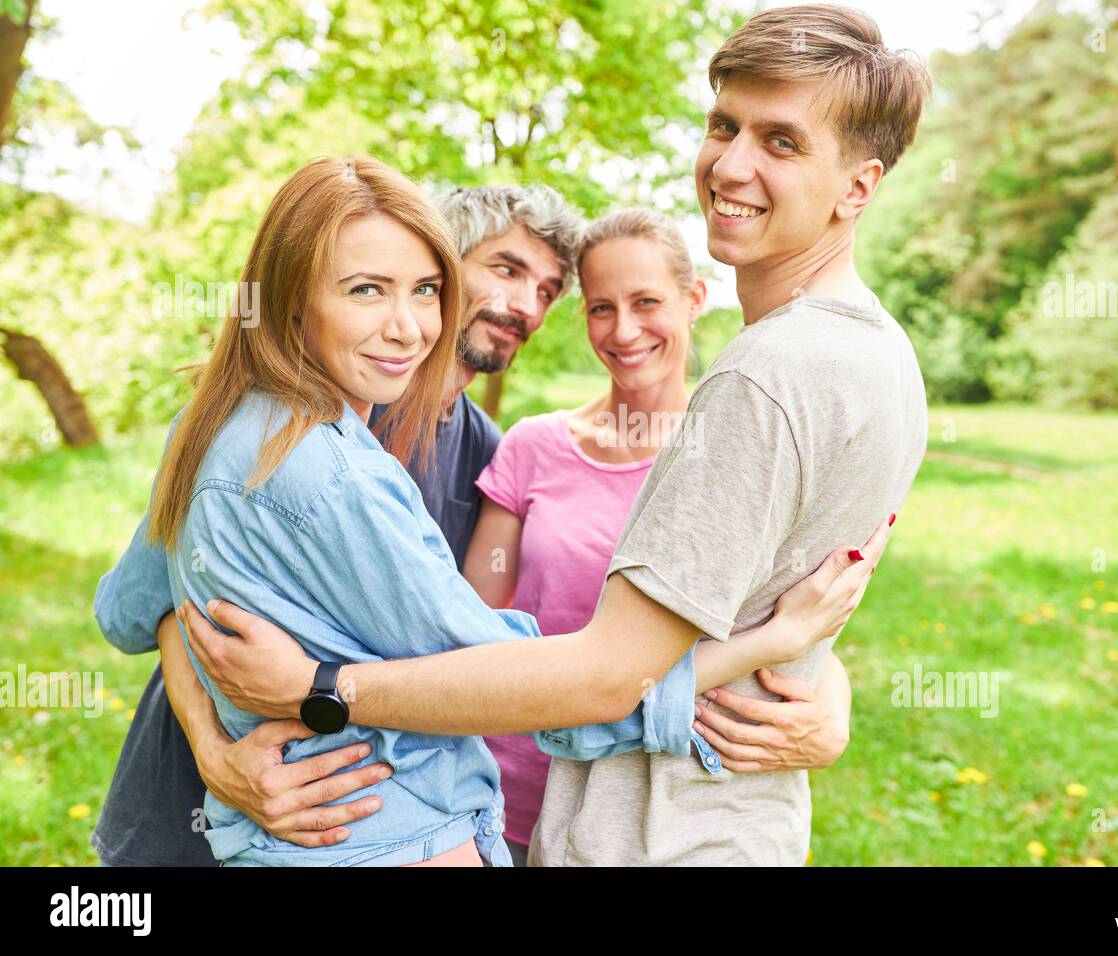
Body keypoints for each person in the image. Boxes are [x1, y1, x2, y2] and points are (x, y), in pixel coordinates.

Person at [180, 2, 930, 866]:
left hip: (657, 838)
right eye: (724, 125)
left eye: (782, 142)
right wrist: (785, 651)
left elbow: (609, 676)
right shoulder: (879, 356)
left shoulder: (764, 377)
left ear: (859, 186)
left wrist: (319, 689)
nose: (730, 163)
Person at [91, 184, 581, 866]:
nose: (526, 304)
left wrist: (316, 686)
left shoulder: (487, 459)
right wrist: (215, 752)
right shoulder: (271, 424)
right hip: (189, 809)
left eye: (549, 289)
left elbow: (462, 656)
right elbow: (140, 600)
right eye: (506, 268)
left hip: (358, 821)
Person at [463, 208, 856, 866]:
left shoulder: (741, 454)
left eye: (647, 302)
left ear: (695, 298)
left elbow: (801, 619)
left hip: (650, 813)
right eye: (600, 308)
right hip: (504, 797)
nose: (623, 331)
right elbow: (470, 630)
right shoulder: (533, 446)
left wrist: (834, 716)